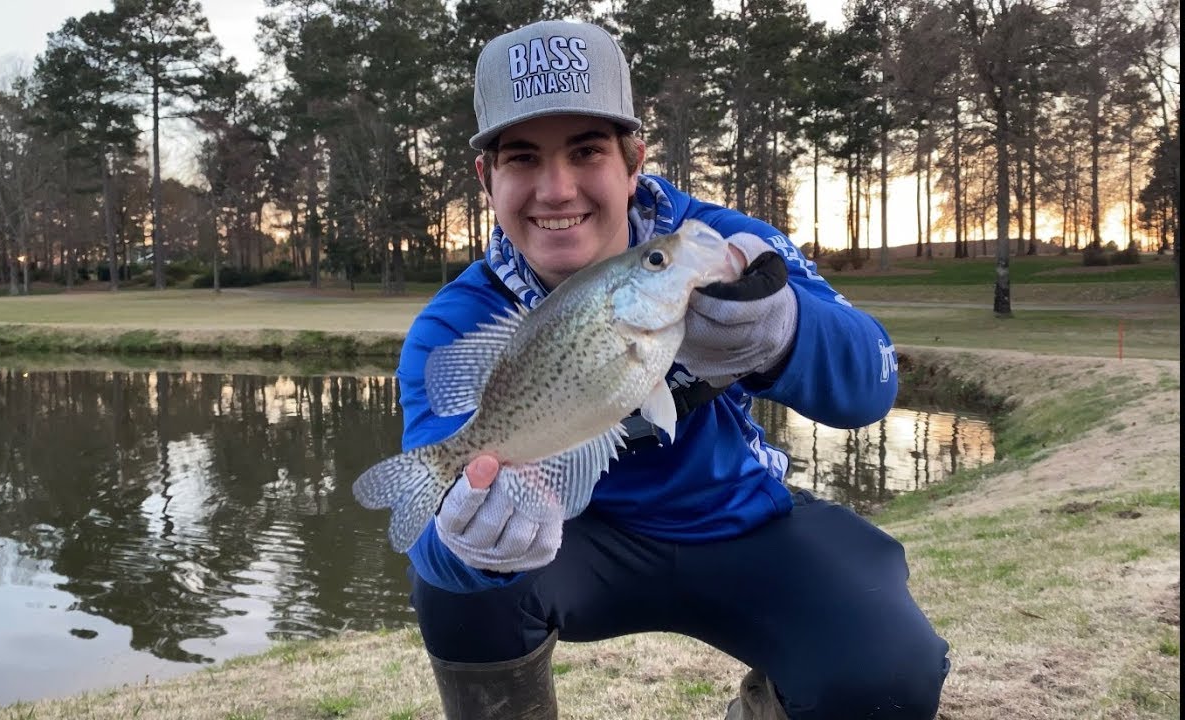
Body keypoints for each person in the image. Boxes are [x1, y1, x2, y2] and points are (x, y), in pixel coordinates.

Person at [394, 19, 949, 720]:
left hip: (740, 522)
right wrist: (462, 542)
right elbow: (425, 539)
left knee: (889, 671)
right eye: (522, 158)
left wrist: (786, 334)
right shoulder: (454, 326)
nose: (557, 188)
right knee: (454, 590)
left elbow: (874, 381)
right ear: (487, 178)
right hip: (572, 544)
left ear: (634, 162)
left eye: (588, 150)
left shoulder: (715, 245)